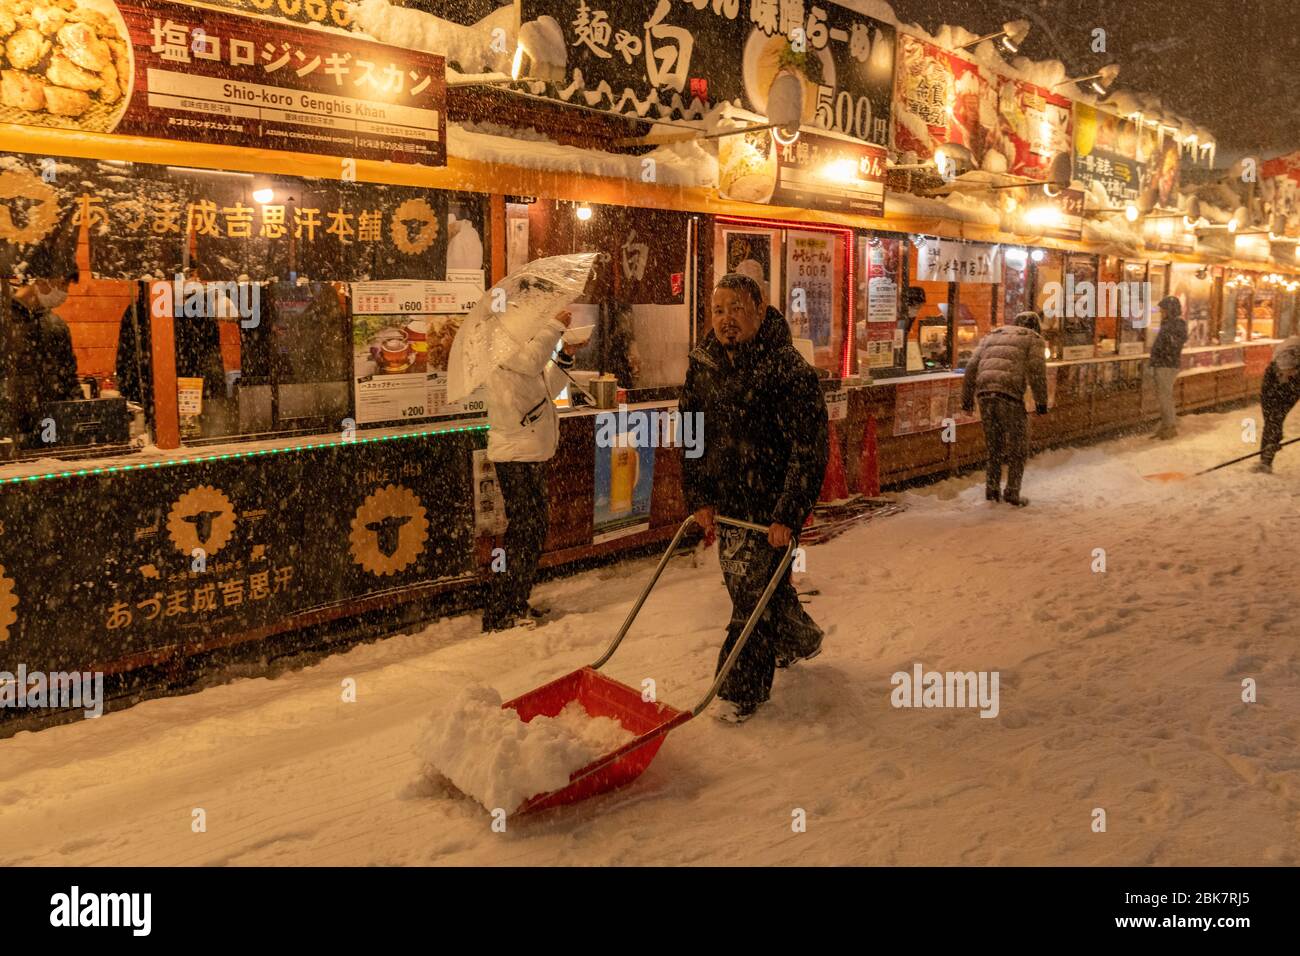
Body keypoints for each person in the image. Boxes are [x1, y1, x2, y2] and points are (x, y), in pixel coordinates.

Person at [679, 273, 829, 723]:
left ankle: (738, 691)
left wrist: (790, 513)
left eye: (737, 309)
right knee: (757, 588)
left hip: (770, 505)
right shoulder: (703, 364)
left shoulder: (788, 370)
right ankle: (801, 638)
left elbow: (810, 447)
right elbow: (691, 436)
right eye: (719, 310)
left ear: (760, 312)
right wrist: (700, 497)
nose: (727, 320)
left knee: (750, 597)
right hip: (729, 504)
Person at [481, 304, 578, 632]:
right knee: (524, 532)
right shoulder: (498, 343)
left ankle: (514, 602)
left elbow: (545, 388)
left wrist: (565, 357)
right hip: (515, 453)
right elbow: (533, 360)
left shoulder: (520, 347)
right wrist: (554, 326)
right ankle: (499, 612)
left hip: (530, 450)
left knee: (532, 531)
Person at [961, 310, 1049, 507]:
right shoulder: (1033, 339)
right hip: (1009, 394)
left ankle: (992, 491)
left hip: (984, 393)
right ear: (1035, 327)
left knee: (995, 447)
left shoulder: (992, 335)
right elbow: (1037, 372)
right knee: (1018, 448)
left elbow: (971, 368)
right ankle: (1012, 492)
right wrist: (1041, 403)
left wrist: (967, 400)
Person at [2, 269, 83, 443]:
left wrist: (82, 416)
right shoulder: (4, 321)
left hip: (50, 430)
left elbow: (69, 380)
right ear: (39, 279)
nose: (64, 293)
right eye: (62, 284)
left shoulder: (57, 327)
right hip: (7, 433)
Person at [1253, 334, 1300, 474]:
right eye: (1282, 373)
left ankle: (1266, 458)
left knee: (1276, 418)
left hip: (1293, 387)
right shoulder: (1272, 373)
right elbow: (1267, 403)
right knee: (1271, 420)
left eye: (1289, 373)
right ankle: (1266, 457)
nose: (1285, 376)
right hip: (1273, 386)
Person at [1148, 296, 1188, 440]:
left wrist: (1160, 354)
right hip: (1165, 363)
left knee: (1165, 397)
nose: (1161, 312)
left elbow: (1172, 345)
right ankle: (1166, 425)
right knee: (1164, 396)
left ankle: (1169, 427)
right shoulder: (1171, 323)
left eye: (1163, 310)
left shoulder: (1175, 324)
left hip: (1167, 365)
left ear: (1170, 310)